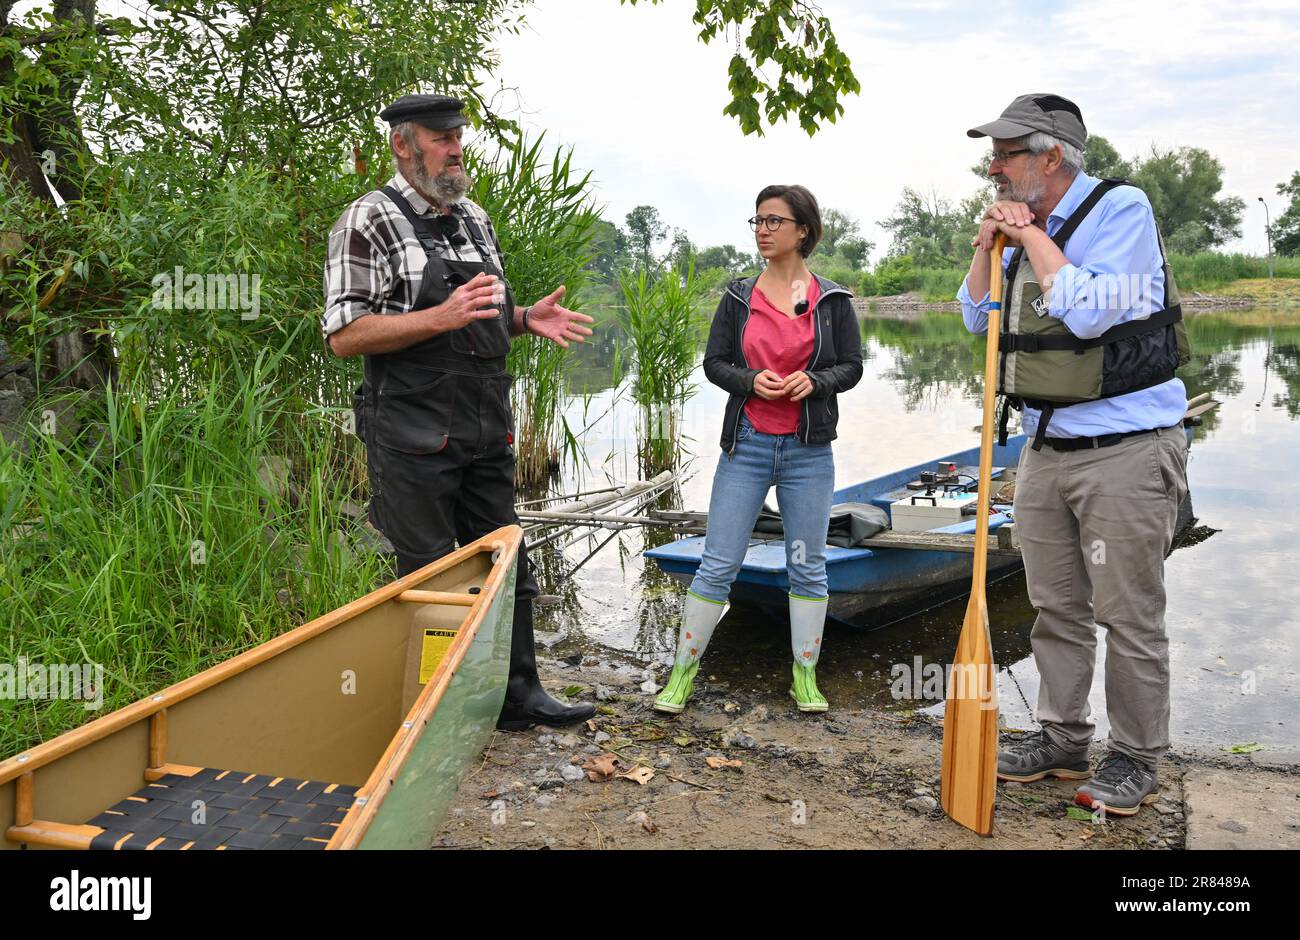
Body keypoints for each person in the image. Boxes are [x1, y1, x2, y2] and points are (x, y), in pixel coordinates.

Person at [323, 93, 596, 731]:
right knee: (426, 577)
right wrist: (438, 317)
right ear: (403, 145)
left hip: (484, 424)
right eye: (441, 137)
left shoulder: (473, 218)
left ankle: (518, 693)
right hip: (409, 432)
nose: (455, 148)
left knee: (506, 558)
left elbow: (481, 316)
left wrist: (526, 318)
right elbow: (343, 335)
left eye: (458, 136)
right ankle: (429, 713)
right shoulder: (366, 222)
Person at [958, 93, 1191, 816]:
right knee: (1056, 605)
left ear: (1050, 158)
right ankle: (1063, 737)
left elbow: (1089, 309)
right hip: (1048, 445)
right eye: (993, 155)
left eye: (1005, 154)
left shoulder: (1123, 210)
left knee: (1128, 614)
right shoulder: (1013, 223)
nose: (992, 167)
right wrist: (985, 246)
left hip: (1126, 446)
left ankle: (1136, 755)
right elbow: (974, 316)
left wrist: (1031, 240)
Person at [653, 185, 863, 716]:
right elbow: (715, 363)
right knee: (717, 563)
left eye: (774, 221)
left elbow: (852, 367)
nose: (762, 230)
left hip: (808, 452)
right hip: (745, 446)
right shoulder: (738, 296)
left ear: (803, 231)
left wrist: (814, 383)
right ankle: (682, 674)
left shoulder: (833, 300)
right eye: (758, 221)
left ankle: (805, 676)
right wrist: (751, 381)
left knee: (807, 564)